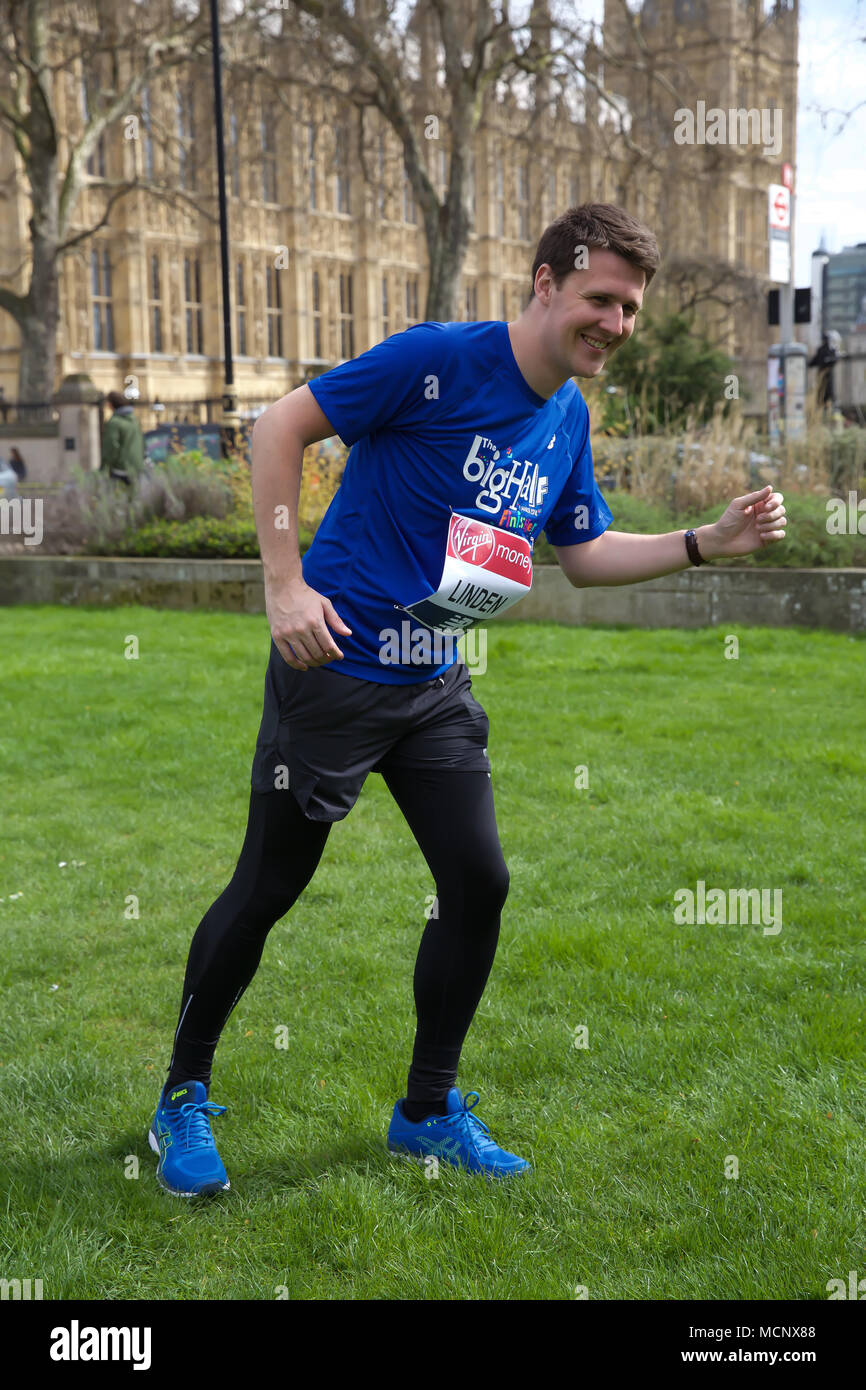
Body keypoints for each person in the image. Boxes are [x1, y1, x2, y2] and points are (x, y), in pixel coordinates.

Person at [149, 203, 788, 1196]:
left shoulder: (566, 414)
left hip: (435, 679)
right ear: (543, 283)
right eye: (598, 299)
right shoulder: (435, 359)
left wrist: (704, 540)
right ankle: (181, 1097)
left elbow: (580, 553)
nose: (615, 323)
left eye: (627, 307)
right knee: (269, 887)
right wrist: (282, 583)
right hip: (337, 669)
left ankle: (425, 1111)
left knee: (477, 879)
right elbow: (279, 426)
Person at [100, 390, 145, 485]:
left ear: (110, 405)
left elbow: (111, 447)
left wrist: (105, 466)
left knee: (117, 497)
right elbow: (142, 442)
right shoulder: (134, 420)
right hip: (137, 467)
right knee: (134, 497)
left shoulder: (114, 423)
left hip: (120, 469)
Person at [808, 334, 838, 409]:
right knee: (821, 391)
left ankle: (827, 404)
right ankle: (822, 404)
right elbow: (815, 361)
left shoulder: (831, 350)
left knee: (828, 391)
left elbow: (834, 360)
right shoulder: (821, 350)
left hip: (827, 374)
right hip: (822, 374)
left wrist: (829, 361)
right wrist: (808, 364)